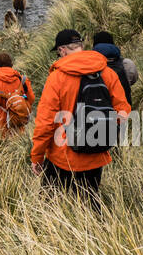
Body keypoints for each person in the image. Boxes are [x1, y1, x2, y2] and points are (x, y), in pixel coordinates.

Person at [30, 29, 131, 206]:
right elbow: (123, 110)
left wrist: (37, 157)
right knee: (90, 205)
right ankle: (97, 232)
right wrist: (100, 129)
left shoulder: (57, 78)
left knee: (48, 206)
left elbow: (45, 124)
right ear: (81, 46)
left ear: (62, 50)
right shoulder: (107, 73)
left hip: (62, 156)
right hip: (96, 152)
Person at [91, 30, 135, 105]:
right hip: (122, 112)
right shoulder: (127, 63)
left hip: (96, 112)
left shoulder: (89, 65)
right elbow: (133, 79)